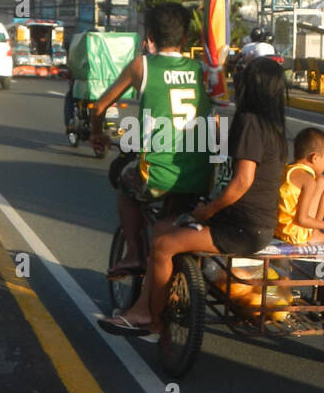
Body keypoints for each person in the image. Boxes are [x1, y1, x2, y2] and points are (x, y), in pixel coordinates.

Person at [99, 56, 287, 337]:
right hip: (248, 223)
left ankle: (149, 317)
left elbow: (243, 181)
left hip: (240, 228)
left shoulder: (250, 122)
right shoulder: (272, 127)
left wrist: (209, 210)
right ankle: (150, 302)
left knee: (162, 247)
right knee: (162, 228)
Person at [91, 2, 213, 278]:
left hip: (157, 175)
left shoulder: (141, 66)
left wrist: (97, 133)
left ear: (150, 37)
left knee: (125, 184)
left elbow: (100, 108)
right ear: (185, 39)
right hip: (201, 175)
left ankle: (134, 254)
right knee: (175, 205)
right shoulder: (201, 70)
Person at [276, 127, 324, 245]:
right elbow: (301, 219)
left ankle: (314, 232)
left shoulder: (286, 169)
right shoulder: (308, 181)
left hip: (276, 228)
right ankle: (314, 233)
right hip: (292, 234)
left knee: (322, 180)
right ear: (314, 158)